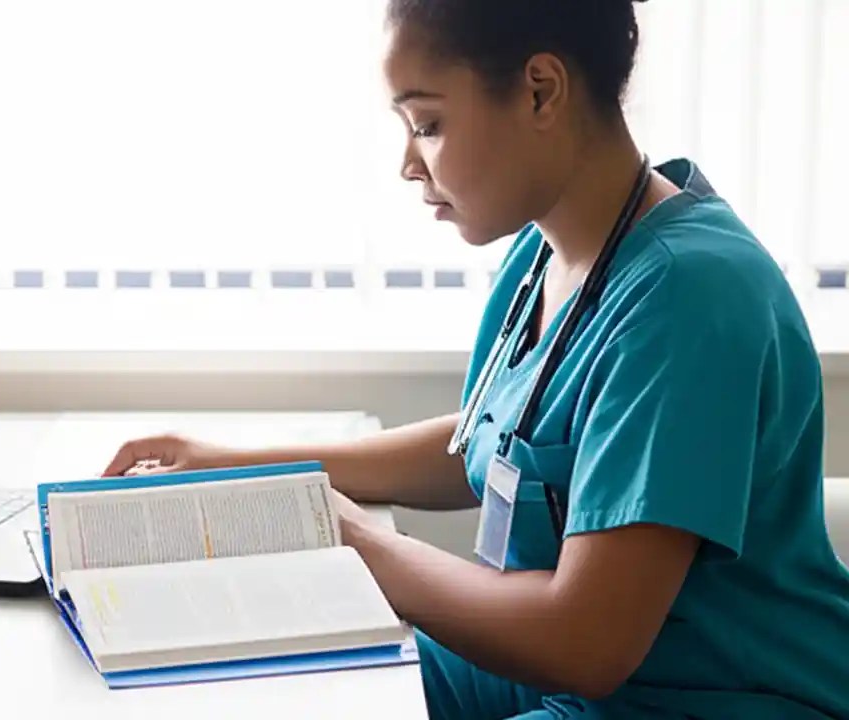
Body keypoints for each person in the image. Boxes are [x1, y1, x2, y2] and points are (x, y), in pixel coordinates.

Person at [102, 1, 849, 717]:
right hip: (567, 680)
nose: (407, 163)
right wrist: (251, 468)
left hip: (706, 700)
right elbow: (490, 447)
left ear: (540, 90)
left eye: (427, 123)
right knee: (286, 689)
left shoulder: (689, 299)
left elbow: (586, 643)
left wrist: (352, 537)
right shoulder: (546, 251)